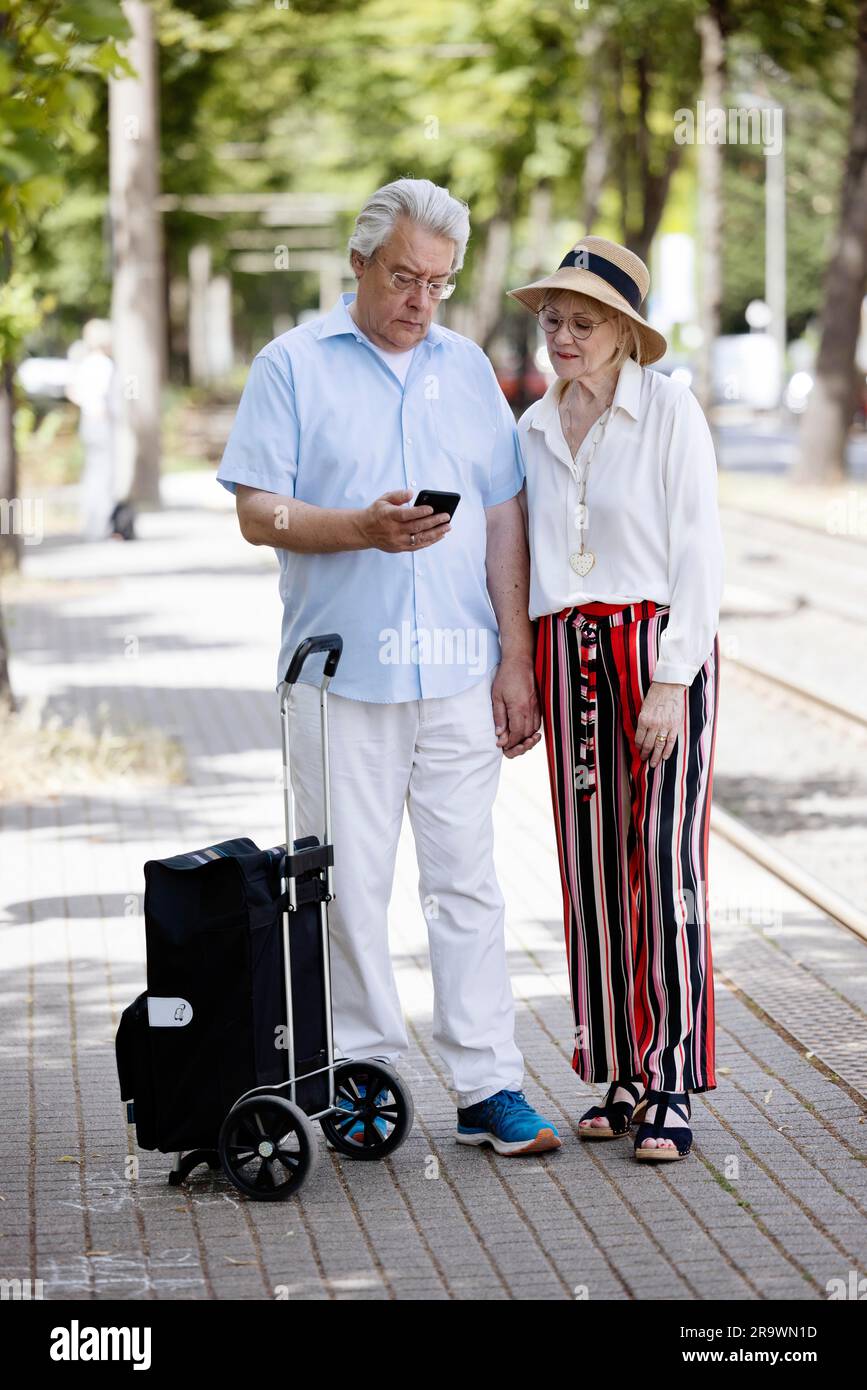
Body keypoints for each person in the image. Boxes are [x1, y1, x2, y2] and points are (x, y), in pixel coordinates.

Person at [217, 178, 559, 1156]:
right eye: (404, 275)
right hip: (336, 679)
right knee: (351, 889)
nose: (419, 299)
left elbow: (500, 518)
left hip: (458, 672)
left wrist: (516, 659)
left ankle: (489, 1085)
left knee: (468, 884)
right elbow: (258, 513)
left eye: (439, 283)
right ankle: (361, 1079)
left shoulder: (467, 369)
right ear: (360, 263)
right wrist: (359, 528)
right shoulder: (290, 368)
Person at [507, 235, 724, 1161]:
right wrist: (518, 668)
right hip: (568, 648)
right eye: (552, 318)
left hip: (655, 647)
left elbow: (699, 552)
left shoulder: (670, 412)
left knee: (663, 865)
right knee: (590, 870)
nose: (561, 334)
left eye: (581, 321)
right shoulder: (530, 428)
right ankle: (617, 1068)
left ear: (623, 332)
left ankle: (671, 1079)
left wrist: (673, 680)